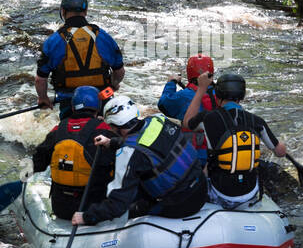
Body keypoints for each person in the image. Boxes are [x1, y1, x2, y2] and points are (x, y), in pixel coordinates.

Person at [73, 94, 206, 226]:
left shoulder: (128, 153)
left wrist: (86, 216)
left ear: (115, 127)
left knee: (130, 206)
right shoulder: (158, 119)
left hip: (181, 204)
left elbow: (117, 205)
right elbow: (147, 143)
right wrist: (112, 142)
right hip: (201, 186)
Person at [182, 71, 288, 208]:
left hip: (219, 192)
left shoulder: (208, 118)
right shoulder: (256, 121)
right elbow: (280, 152)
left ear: (217, 95)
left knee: (209, 164)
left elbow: (187, 122)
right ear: (242, 96)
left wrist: (201, 89)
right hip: (250, 192)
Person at [35, 0, 125, 116]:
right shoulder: (103, 37)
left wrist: (43, 98)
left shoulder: (54, 41)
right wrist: (113, 85)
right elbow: (119, 72)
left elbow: (40, 79)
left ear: (63, 11)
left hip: (69, 103)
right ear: (86, 11)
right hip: (100, 99)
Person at [31, 86, 115, 220]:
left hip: (61, 207)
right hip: (94, 207)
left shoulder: (58, 129)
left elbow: (37, 163)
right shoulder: (106, 131)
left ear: (73, 107)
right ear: (98, 108)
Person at [157, 53, 215, 164]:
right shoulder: (220, 95)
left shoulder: (183, 96)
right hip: (217, 151)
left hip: (193, 155)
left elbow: (163, 104)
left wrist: (171, 82)